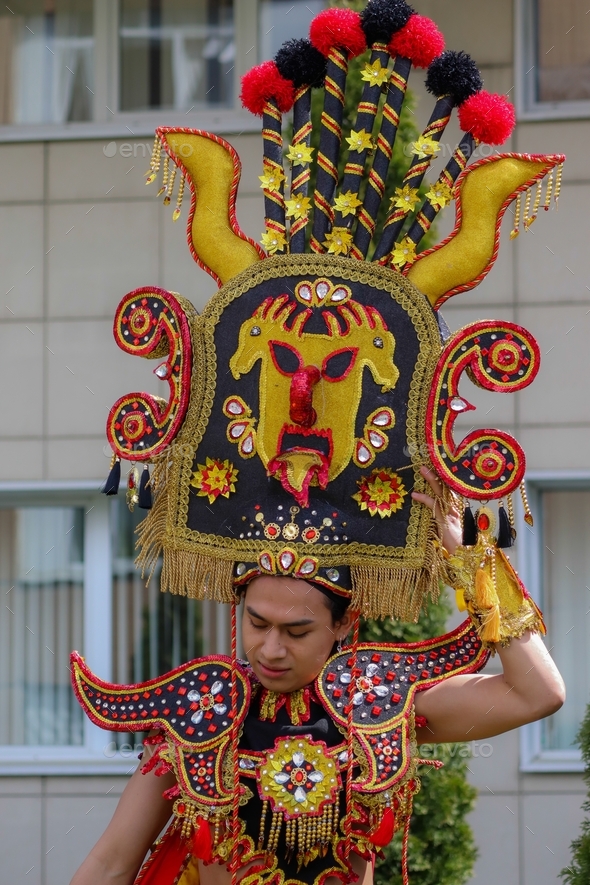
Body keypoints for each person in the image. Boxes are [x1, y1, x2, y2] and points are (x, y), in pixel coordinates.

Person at [69, 466, 564, 885]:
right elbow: (113, 862)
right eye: (257, 623)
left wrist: (470, 558)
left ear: (344, 623)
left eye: (297, 631)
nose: (271, 649)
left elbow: (536, 693)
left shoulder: (377, 700)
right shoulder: (202, 708)